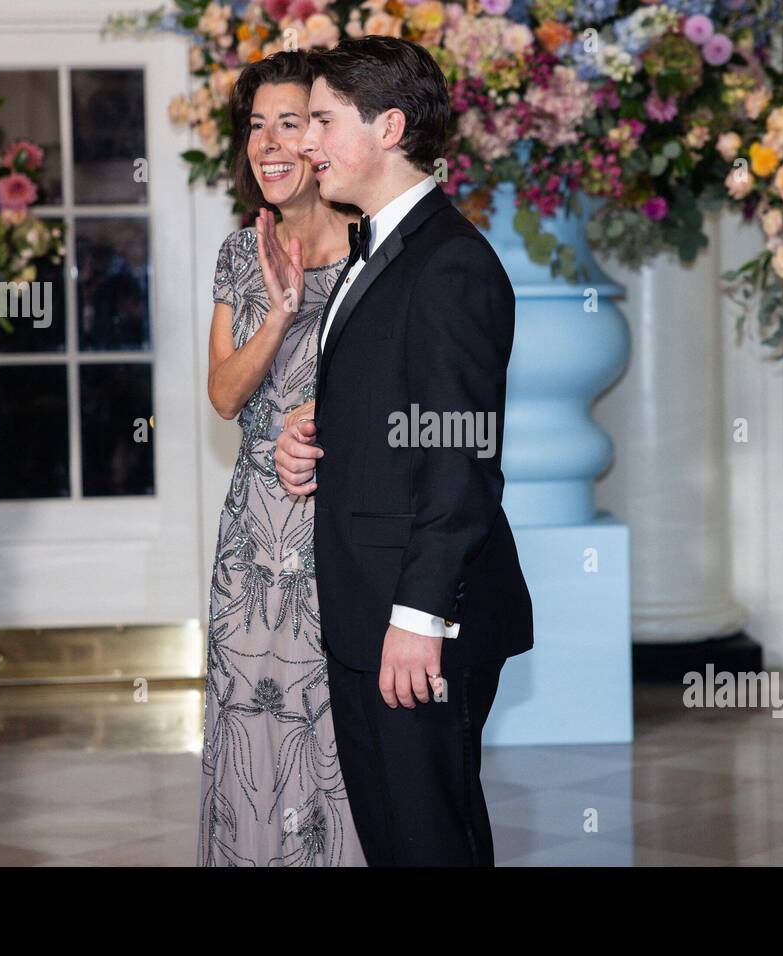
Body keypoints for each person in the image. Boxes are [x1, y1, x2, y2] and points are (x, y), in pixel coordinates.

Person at [273, 36, 534, 867]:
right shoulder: (375, 249)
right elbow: (405, 406)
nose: (303, 142)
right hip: (365, 611)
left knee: (431, 844)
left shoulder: (450, 261)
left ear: (389, 127)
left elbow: (463, 461)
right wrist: (312, 433)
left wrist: (420, 618)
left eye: (321, 120)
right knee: (393, 842)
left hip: (420, 620)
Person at [197, 50, 366, 867]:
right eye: (256, 124)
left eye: (290, 123)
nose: (267, 142)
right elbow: (225, 397)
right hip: (250, 537)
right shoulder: (241, 253)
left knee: (327, 733)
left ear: (326, 138)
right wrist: (280, 312)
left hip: (336, 526)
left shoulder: (374, 255)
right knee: (248, 729)